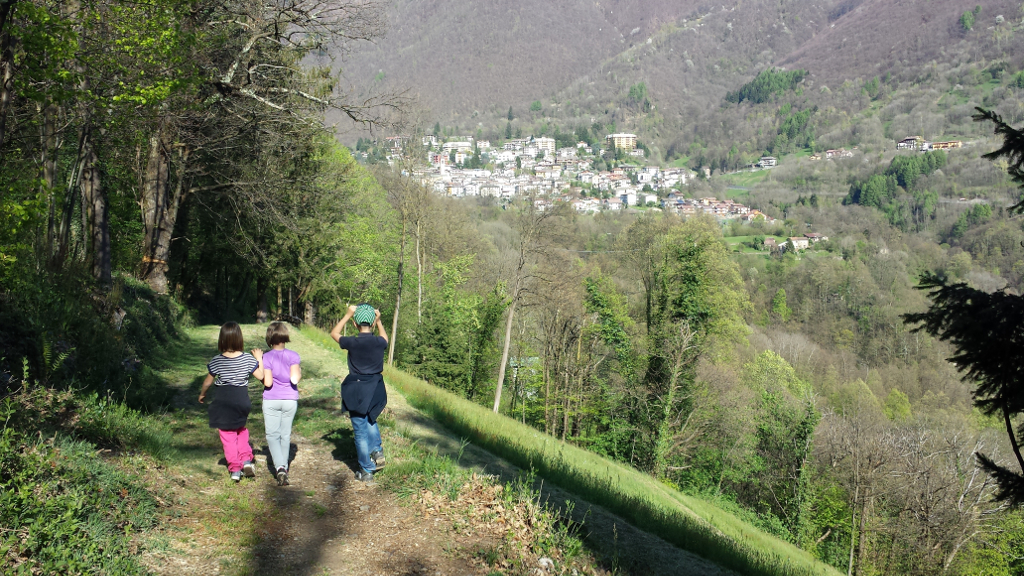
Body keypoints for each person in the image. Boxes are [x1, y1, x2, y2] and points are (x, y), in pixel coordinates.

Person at [199, 322, 265, 482]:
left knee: (227, 435)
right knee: (240, 430)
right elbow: (262, 376)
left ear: (221, 340)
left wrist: (202, 394)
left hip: (223, 402)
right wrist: (259, 359)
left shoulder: (217, 361)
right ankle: (246, 460)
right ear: (239, 339)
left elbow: (208, 382)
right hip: (241, 401)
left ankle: (235, 469)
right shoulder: (248, 359)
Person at [330, 304, 388, 482]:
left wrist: (347, 314)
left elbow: (334, 333)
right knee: (371, 418)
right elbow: (384, 337)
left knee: (360, 431)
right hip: (376, 387)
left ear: (355, 324)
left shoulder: (352, 342)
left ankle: (366, 471)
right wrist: (379, 322)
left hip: (357, 388)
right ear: (372, 324)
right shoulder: (379, 342)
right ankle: (377, 450)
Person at [261, 322, 301, 486]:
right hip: (290, 400)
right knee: (285, 435)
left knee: (272, 435)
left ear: (269, 338)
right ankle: (283, 466)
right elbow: (294, 378)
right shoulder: (293, 356)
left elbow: (268, 383)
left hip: (271, 399)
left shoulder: (267, 357)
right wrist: (299, 372)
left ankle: (280, 468)